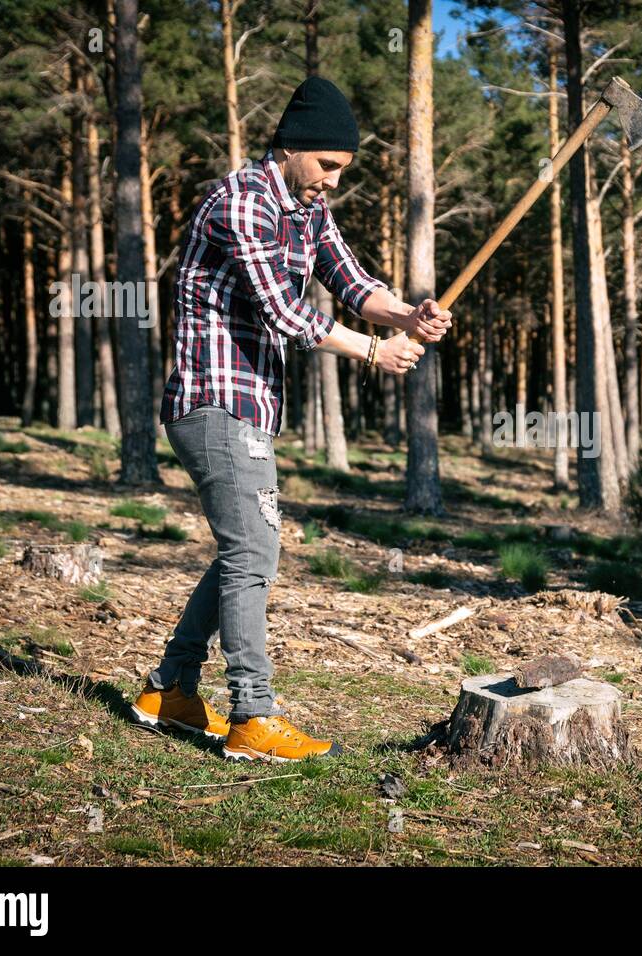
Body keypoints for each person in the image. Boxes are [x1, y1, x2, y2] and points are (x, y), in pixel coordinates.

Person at [129, 76, 451, 762]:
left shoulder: (309, 209)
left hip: (252, 403)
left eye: (343, 171)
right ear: (291, 148)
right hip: (213, 400)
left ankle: (171, 689)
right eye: (328, 165)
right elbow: (283, 309)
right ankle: (252, 714)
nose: (333, 182)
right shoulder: (239, 200)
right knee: (253, 554)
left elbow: (352, 282)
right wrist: (372, 350)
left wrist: (408, 315)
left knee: (247, 551)